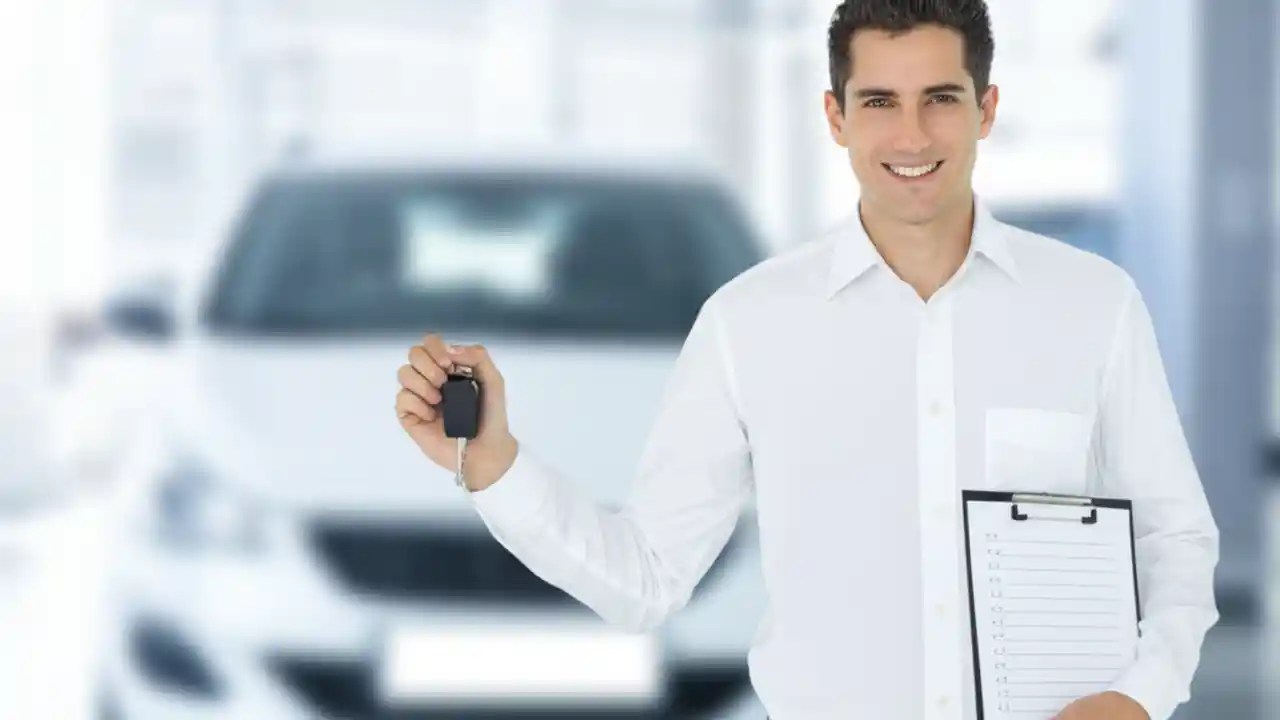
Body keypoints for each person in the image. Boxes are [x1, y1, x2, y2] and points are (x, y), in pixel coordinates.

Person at [393, 1, 1218, 717]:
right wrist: (493, 463)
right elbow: (645, 579)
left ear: (986, 108)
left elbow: (1177, 537)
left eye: (941, 99)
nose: (911, 134)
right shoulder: (748, 325)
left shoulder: (1093, 306)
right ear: (835, 117)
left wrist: (1140, 693)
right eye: (879, 101)